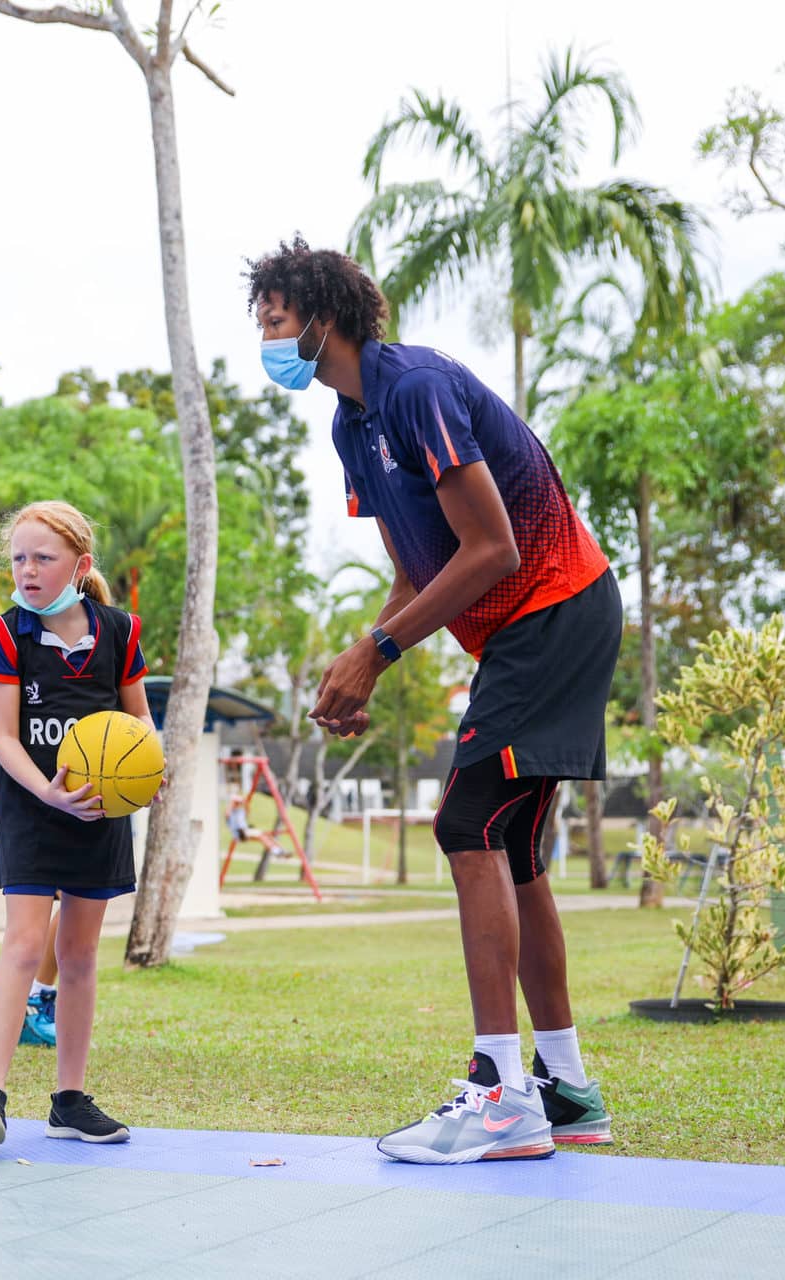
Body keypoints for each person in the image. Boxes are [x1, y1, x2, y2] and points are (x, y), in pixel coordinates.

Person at [247, 235, 618, 1164]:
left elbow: (492, 549)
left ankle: (500, 1096)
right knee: (512, 847)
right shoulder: (351, 426)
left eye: (276, 321)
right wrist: (362, 664)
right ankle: (565, 1088)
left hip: (556, 606)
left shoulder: (414, 387)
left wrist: (375, 653)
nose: (267, 340)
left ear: (321, 319)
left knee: (464, 822)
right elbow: (418, 569)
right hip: (528, 626)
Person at [0, 500, 153, 1152]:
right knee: (22, 945)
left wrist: (149, 766)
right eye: (19, 558)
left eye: (43, 557)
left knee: (78, 955)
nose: (28, 570)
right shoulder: (5, 634)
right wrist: (48, 792)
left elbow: (139, 720)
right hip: (32, 808)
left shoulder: (120, 631)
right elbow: (3, 738)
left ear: (80, 564)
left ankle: (69, 1101)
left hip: (97, 810)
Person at [0, 730, 60, 1048]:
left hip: (72, 813)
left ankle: (40, 993)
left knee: (77, 905)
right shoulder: (6, 705)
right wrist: (11, 833)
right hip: (28, 822)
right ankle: (34, 1000)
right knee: (23, 939)